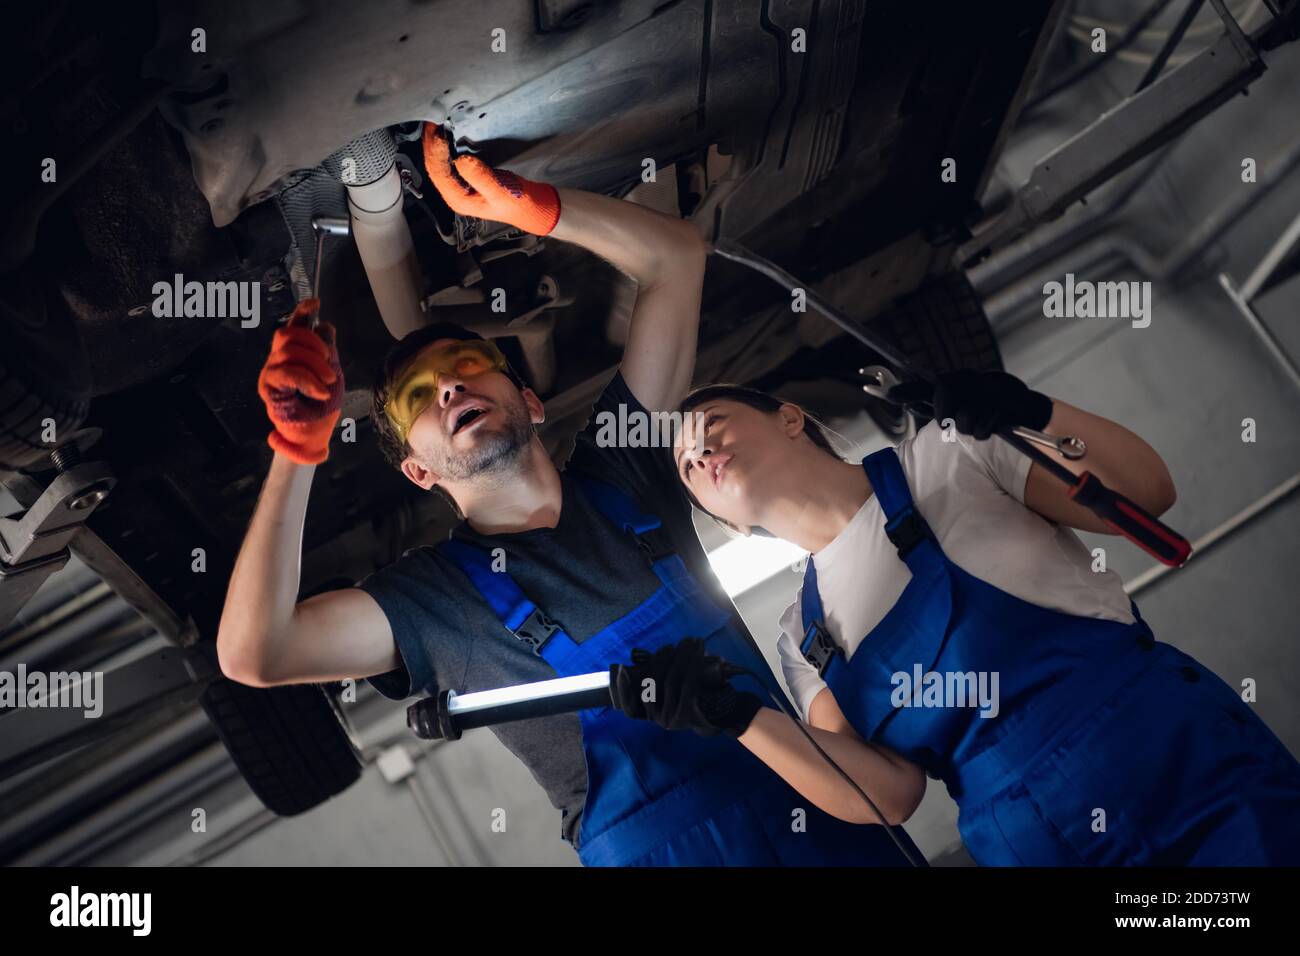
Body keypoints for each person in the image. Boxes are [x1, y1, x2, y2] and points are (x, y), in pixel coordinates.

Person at [216, 122, 922, 866]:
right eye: (419, 398)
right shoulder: (433, 602)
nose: (450, 384)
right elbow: (256, 653)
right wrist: (297, 449)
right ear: (416, 472)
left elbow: (676, 259)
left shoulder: (625, 470)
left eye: (467, 363)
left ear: (531, 397)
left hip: (828, 820)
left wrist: (535, 207)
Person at [618, 372, 1300, 865]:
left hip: (1168, 758)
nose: (700, 453)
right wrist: (738, 720)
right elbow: (886, 795)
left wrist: (1031, 410)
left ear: (791, 418)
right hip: (1031, 843)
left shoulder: (948, 455)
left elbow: (1148, 494)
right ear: (729, 526)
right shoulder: (802, 638)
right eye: (686, 465)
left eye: (712, 428)